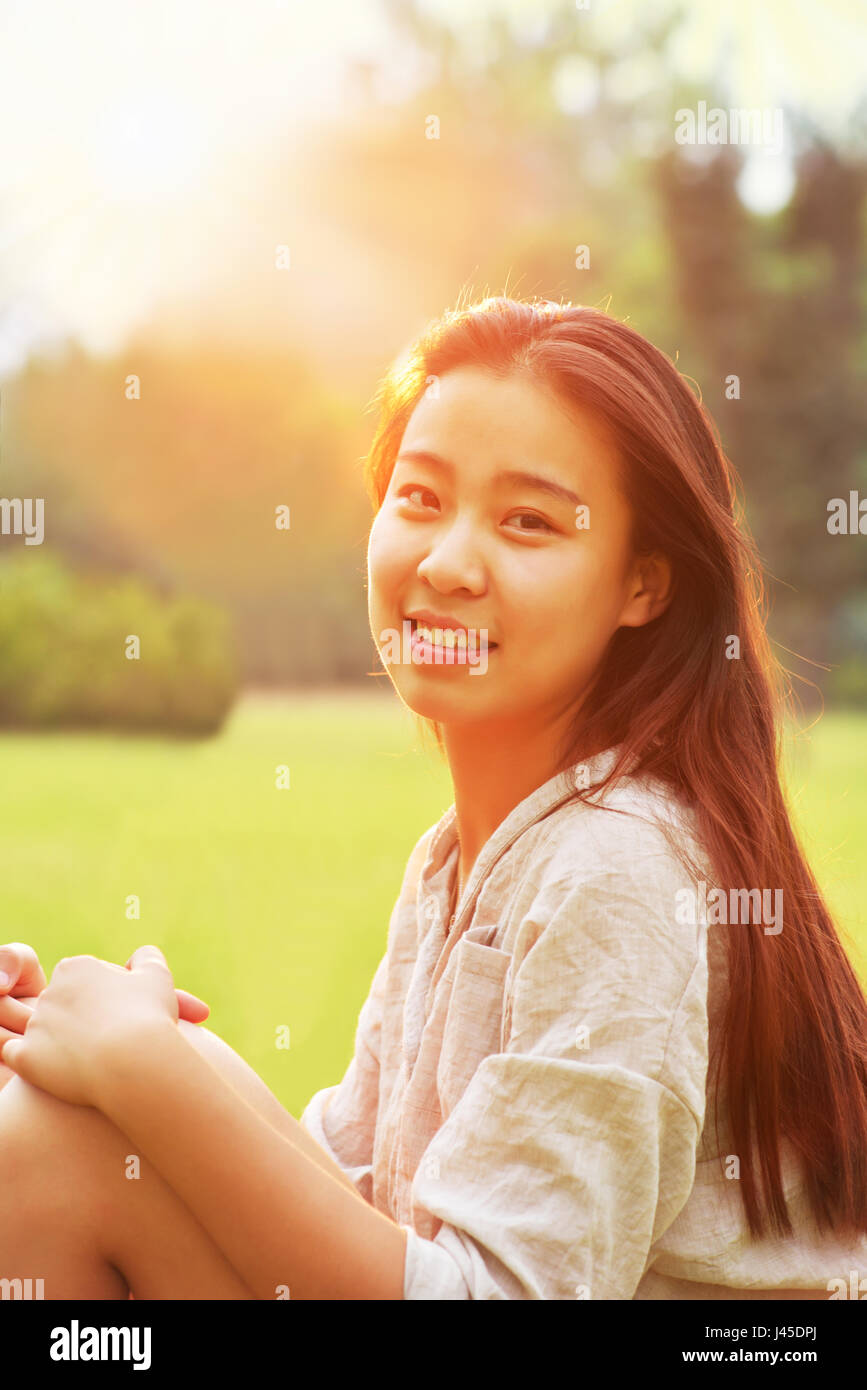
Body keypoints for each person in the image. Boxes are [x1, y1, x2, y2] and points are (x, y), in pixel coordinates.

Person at [1, 294, 865, 1299]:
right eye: (418, 498)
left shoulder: (621, 869)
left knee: (55, 1155)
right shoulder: (465, 859)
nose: (447, 563)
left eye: (527, 521)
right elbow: (354, 1196)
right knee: (69, 1104)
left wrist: (148, 1073)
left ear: (646, 584)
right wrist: (82, 1043)